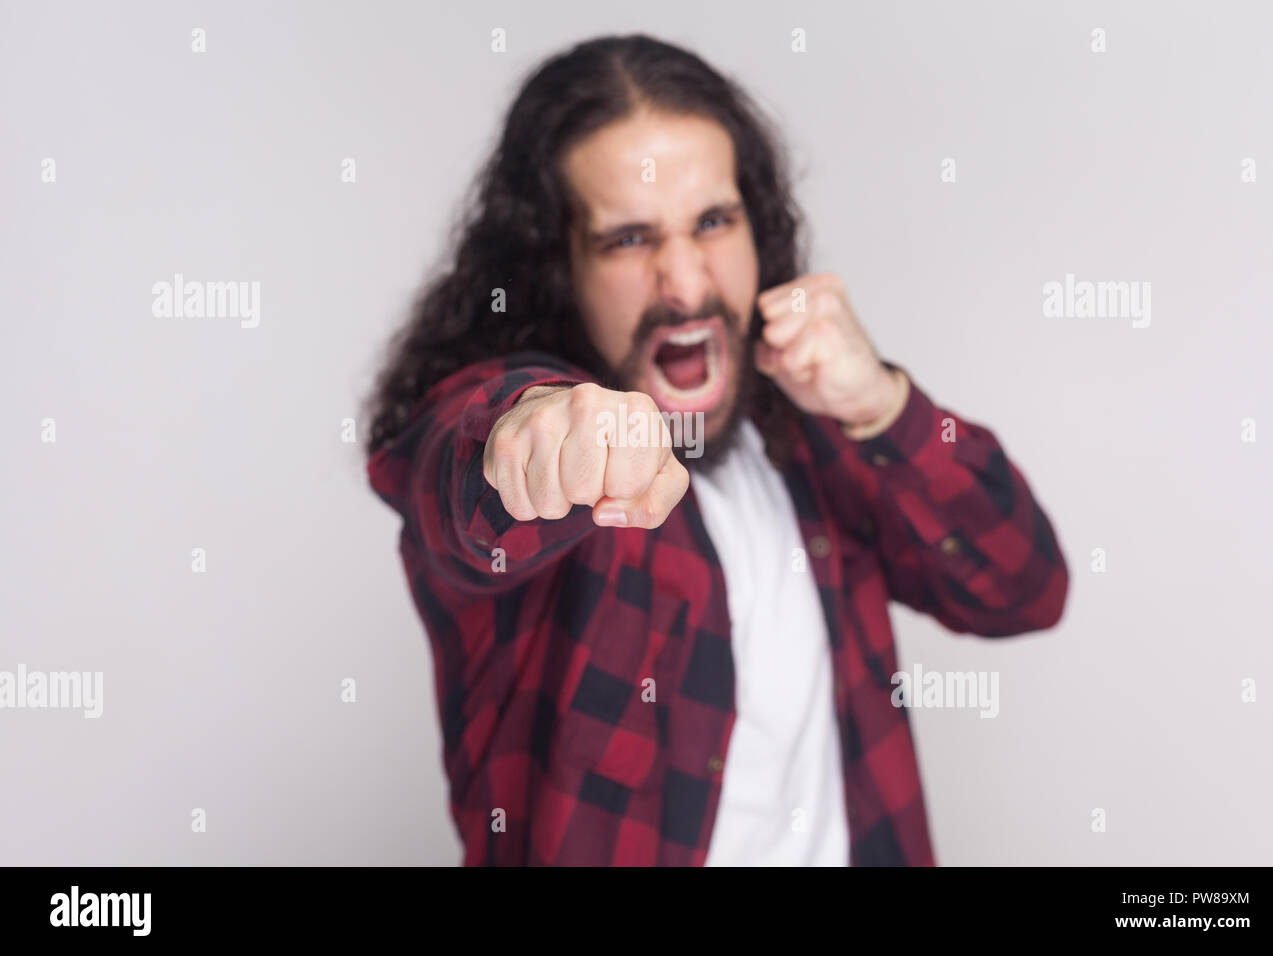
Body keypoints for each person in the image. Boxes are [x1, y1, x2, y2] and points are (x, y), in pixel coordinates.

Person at [364, 34, 1069, 865]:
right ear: (557, 268)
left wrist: (880, 404)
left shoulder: (807, 444)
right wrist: (539, 431)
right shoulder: (549, 457)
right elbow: (464, 469)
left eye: (712, 222)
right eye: (628, 239)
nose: (687, 283)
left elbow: (1024, 589)